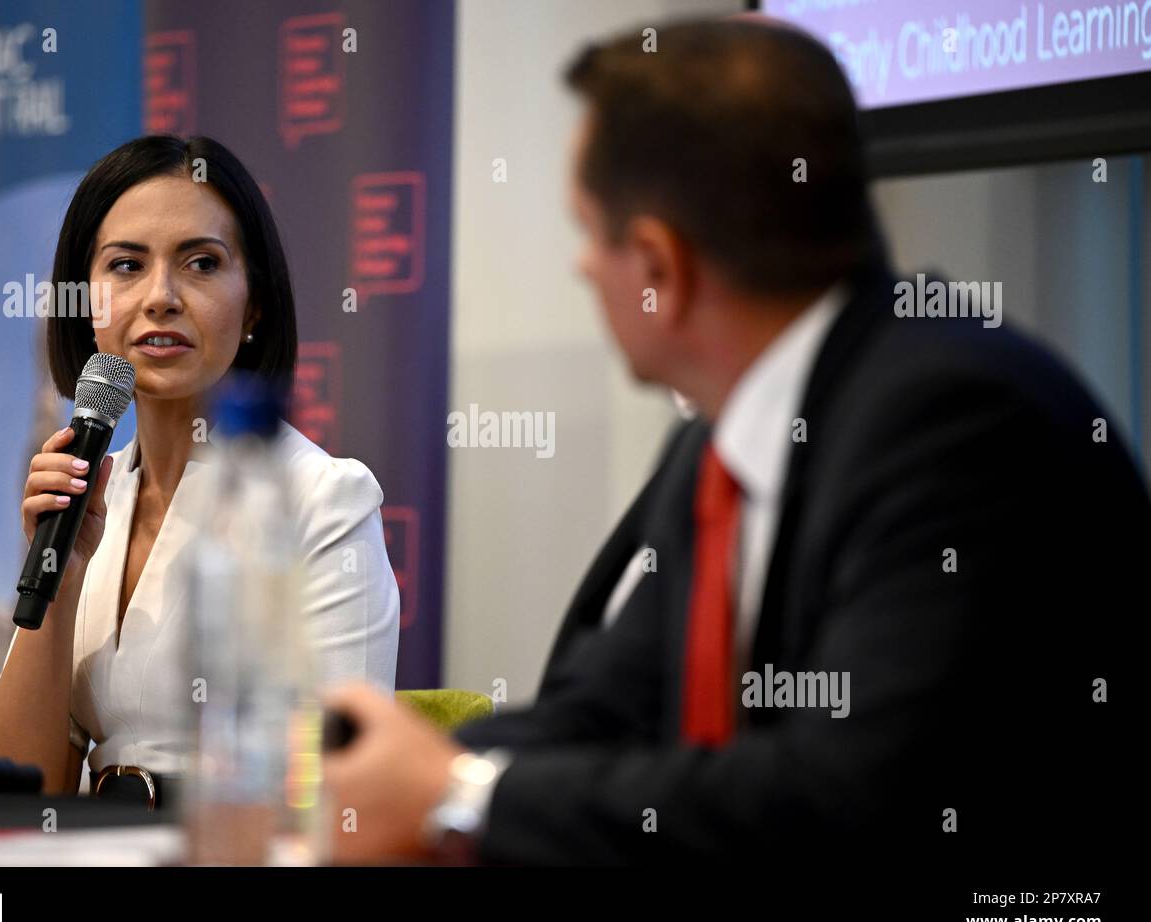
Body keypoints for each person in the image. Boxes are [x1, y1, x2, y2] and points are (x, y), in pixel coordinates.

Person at [321, 17, 1147, 865]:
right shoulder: (732, 434)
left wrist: (462, 800)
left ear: (659, 269)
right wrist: (390, 772)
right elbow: (608, 707)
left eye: (587, 232)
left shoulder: (955, 423)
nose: (580, 268)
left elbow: (850, 797)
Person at [0, 135, 400, 799]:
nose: (160, 297)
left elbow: (331, 794)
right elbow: (11, 799)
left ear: (254, 301)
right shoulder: (87, 495)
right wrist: (60, 578)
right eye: (125, 266)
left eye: (201, 263)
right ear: (85, 301)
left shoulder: (322, 500)